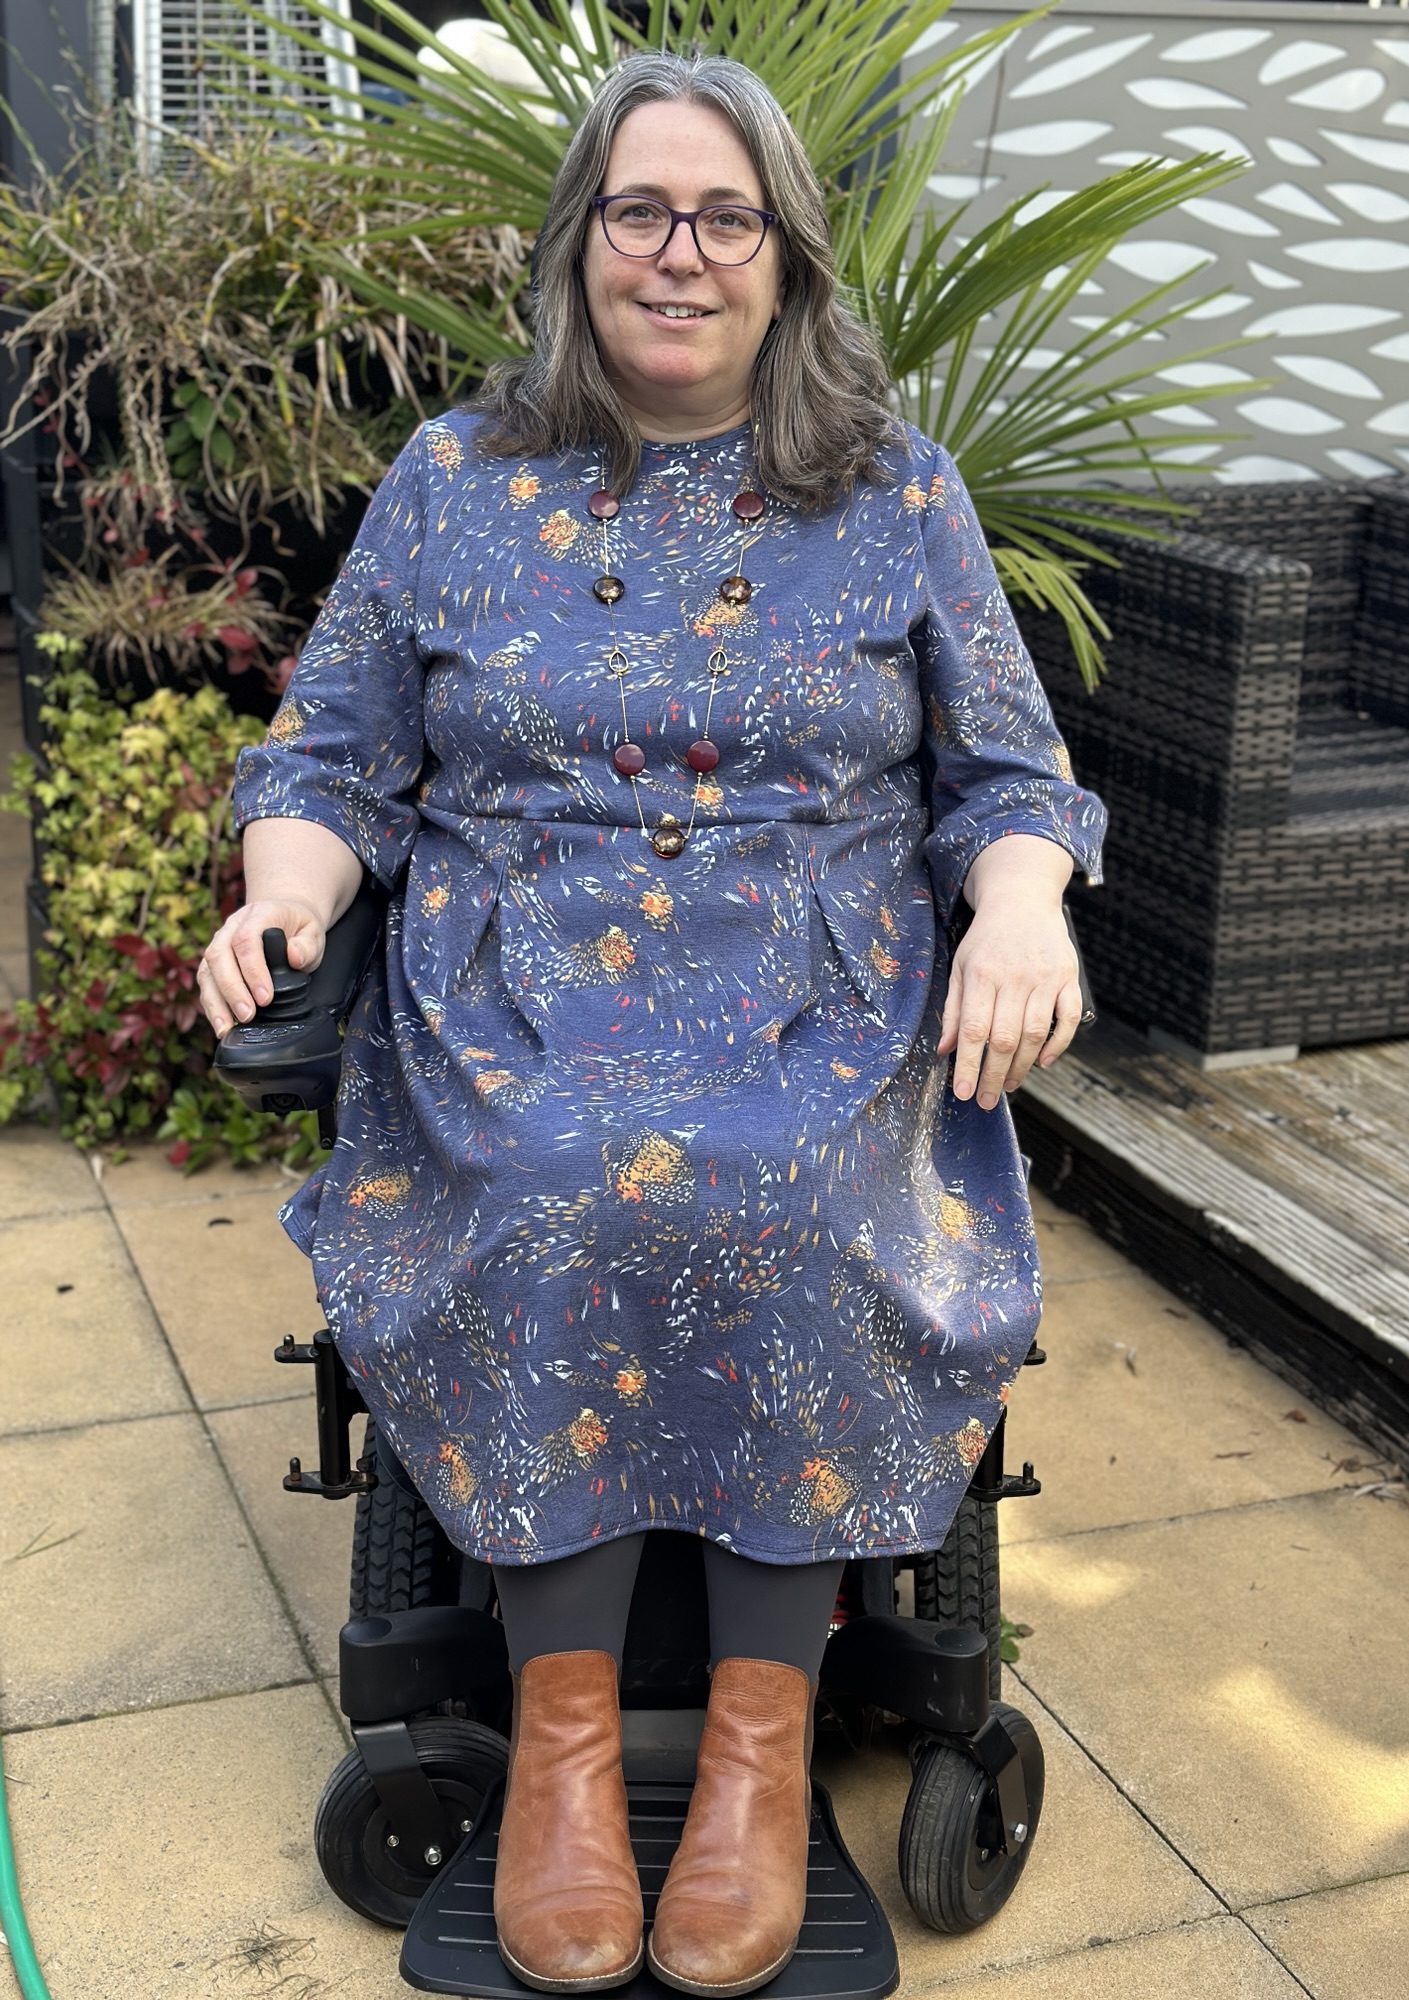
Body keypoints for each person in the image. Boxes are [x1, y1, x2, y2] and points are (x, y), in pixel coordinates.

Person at [200, 49, 1105, 1999]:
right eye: (639, 211)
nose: (678, 253)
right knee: (558, 1168)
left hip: (816, 999)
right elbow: (330, 755)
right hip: (522, 991)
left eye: (723, 216)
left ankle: (763, 1744)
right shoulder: (457, 481)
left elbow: (1013, 777)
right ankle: (567, 1743)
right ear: (579, 244)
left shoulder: (895, 492)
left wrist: (1025, 902)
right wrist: (289, 889)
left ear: (785, 260)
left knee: (776, 1178)